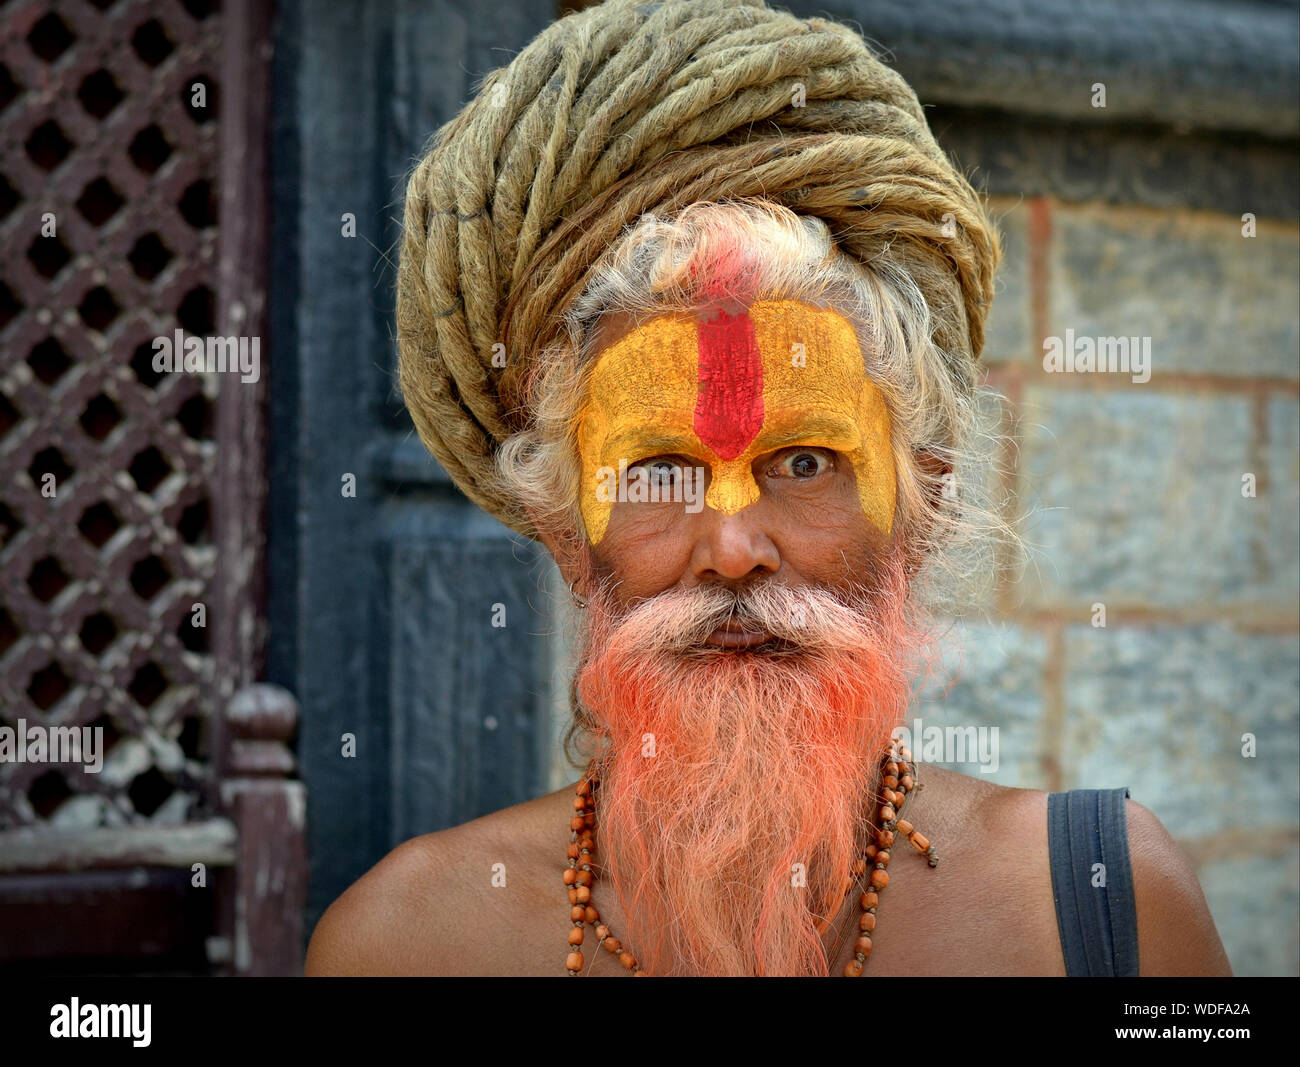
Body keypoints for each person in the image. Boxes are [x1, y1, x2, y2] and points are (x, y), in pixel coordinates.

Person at [305, 0, 1230, 977]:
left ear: (922, 507)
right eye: (659, 470)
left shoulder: (1098, 899)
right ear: (567, 529)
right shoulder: (409, 940)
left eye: (805, 463)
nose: (734, 545)